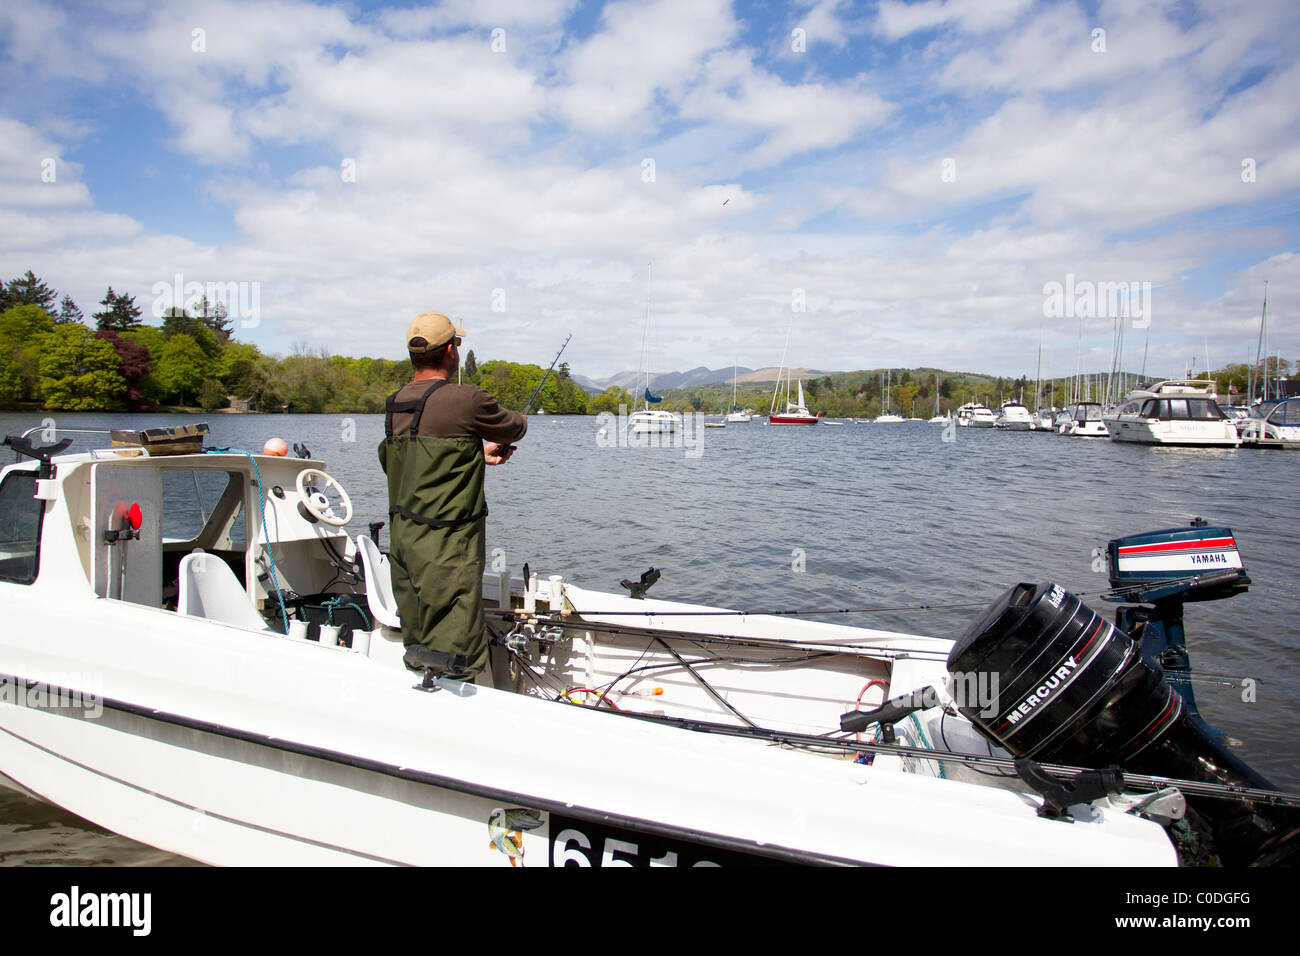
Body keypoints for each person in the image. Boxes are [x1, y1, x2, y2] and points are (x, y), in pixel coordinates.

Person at [378, 311, 526, 679]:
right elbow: (513, 426)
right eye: (456, 344)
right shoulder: (467, 399)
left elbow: (414, 469)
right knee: (456, 646)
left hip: (405, 546)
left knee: (419, 639)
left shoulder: (395, 402)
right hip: (448, 547)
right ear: (450, 352)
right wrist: (514, 425)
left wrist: (476, 455)